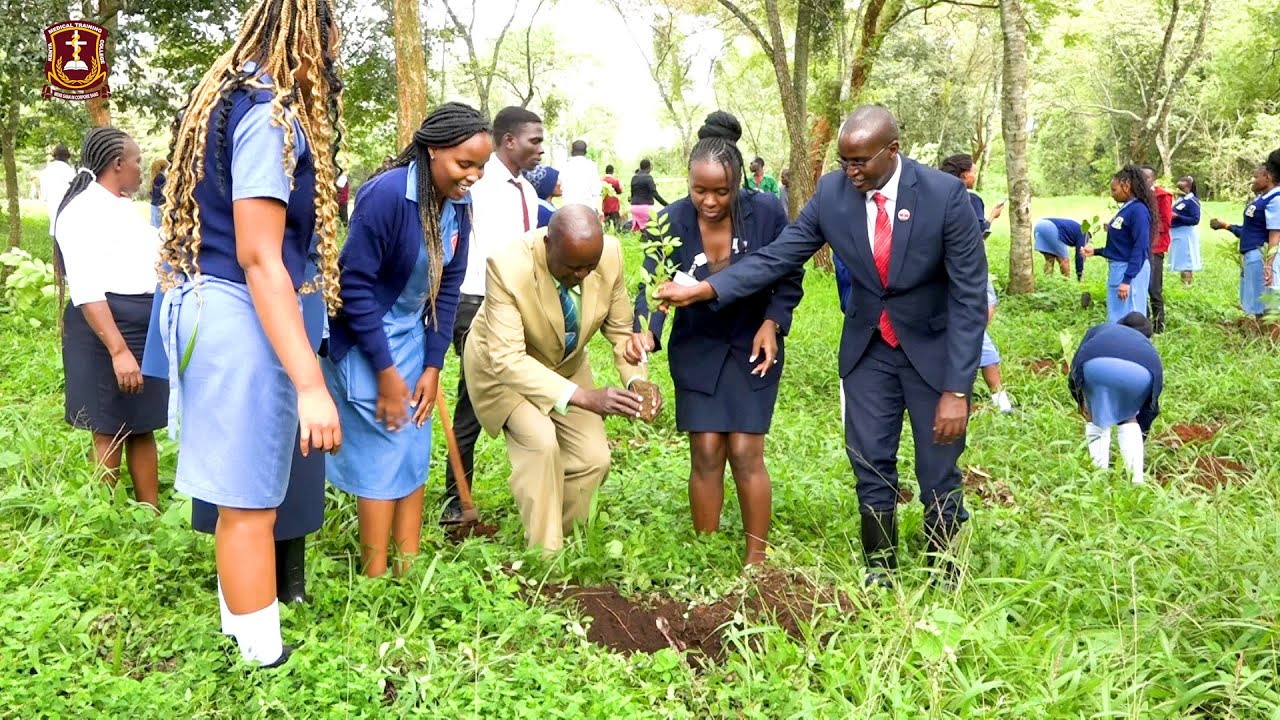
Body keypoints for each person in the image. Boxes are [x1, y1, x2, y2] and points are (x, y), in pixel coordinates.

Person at [655, 106, 987, 588]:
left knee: (937, 466)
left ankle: (946, 571)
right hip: (869, 348)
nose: (850, 172)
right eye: (843, 161)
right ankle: (881, 568)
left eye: (860, 162)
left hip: (932, 351)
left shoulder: (944, 196)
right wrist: (705, 290)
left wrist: (958, 389)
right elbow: (778, 257)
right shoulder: (833, 194)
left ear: (892, 151)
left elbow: (969, 294)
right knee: (870, 459)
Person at [155, 0, 345, 668]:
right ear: (312, 37)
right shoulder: (269, 113)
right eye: (332, 36)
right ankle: (262, 662)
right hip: (242, 311)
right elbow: (261, 255)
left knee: (243, 496)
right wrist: (311, 384)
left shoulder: (228, 98)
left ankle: (242, 634)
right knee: (251, 505)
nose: (336, 52)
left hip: (209, 305)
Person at [324, 103, 491, 577]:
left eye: (481, 166)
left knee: (414, 447)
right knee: (385, 450)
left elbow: (448, 287)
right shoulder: (386, 196)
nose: (473, 176)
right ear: (434, 150)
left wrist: (433, 366)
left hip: (412, 337)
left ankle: (408, 570)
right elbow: (353, 286)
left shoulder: (460, 202)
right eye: (465, 164)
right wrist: (386, 372)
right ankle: (377, 578)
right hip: (367, 338)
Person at [630, 112, 802, 566]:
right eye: (698, 190)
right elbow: (652, 285)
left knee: (745, 449)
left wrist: (774, 322)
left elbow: (788, 273)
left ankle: (756, 560)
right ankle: (706, 555)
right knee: (706, 448)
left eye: (721, 192)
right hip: (698, 343)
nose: (709, 201)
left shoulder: (765, 212)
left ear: (739, 182)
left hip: (752, 341)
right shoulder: (668, 221)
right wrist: (646, 329)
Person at [463, 206, 657, 553]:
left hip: (564, 365)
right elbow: (508, 359)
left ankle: (566, 537)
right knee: (541, 443)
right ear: (548, 243)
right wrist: (584, 397)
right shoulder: (508, 267)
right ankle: (545, 556)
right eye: (572, 267)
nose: (582, 274)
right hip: (503, 370)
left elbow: (620, 332)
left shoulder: (609, 255)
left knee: (593, 459)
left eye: (589, 266)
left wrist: (635, 383)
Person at [54, 127, 167, 509]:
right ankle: (106, 517)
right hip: (105, 329)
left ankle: (149, 514)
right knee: (110, 427)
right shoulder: (82, 211)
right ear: (117, 164)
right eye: (137, 161)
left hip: (140, 325)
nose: (140, 168)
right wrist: (119, 351)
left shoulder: (119, 205)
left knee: (142, 424)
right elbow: (86, 289)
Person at [443, 106, 543, 524]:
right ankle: (455, 502)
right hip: (476, 302)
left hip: (520, 306)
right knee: (472, 400)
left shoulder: (530, 192)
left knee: (531, 391)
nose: (541, 148)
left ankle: (539, 490)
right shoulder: (478, 187)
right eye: (534, 140)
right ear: (509, 141)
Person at [939, 153, 1011, 413]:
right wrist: (992, 216)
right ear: (962, 175)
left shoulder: (931, 198)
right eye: (972, 171)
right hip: (968, 275)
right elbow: (978, 235)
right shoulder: (970, 199)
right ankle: (996, 401)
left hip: (941, 275)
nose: (974, 175)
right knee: (976, 330)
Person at [1069, 312, 1162, 486]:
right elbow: (1152, 403)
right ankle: (1136, 481)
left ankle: (1097, 478)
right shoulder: (1146, 346)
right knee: (1129, 418)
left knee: (1096, 418)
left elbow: (1076, 365)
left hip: (1095, 365)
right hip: (1140, 372)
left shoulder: (1102, 330)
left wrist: (1082, 401)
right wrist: (1140, 433)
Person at [1208, 154, 1280, 318]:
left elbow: (1275, 235)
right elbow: (1250, 230)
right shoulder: (1263, 199)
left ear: (1267, 177)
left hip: (1264, 256)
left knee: (1270, 303)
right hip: (1253, 255)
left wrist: (1268, 265)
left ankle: (1270, 338)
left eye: (1255, 177)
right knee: (1257, 301)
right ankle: (1262, 335)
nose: (1252, 181)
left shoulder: (1276, 199)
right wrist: (1226, 226)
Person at [1082, 166, 1155, 323]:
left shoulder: (1138, 211)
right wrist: (1096, 251)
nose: (1112, 194)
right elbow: (1121, 244)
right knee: (1117, 316)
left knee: (1130, 318)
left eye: (1114, 190)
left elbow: (1140, 247)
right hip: (1119, 268)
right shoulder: (1126, 209)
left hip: (1130, 271)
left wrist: (1127, 280)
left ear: (1126, 185)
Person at [1142, 166, 1173, 333]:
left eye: (1146, 178)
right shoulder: (1137, 196)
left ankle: (1159, 326)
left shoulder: (1162, 196)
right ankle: (1144, 325)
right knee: (1140, 286)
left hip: (1155, 247)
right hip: (1140, 247)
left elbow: (1166, 222)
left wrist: (1144, 229)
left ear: (1153, 179)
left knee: (1154, 288)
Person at [1169, 175, 1202, 286]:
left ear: (1188, 185)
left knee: (1186, 262)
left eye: (1183, 181)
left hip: (1186, 235)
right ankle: (1184, 283)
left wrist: (1177, 216)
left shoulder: (1192, 201)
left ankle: (1187, 285)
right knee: (1180, 261)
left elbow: (1195, 219)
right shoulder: (1181, 200)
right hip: (1177, 234)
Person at [40, 144, 76, 236]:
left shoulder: (48, 169)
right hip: (67, 201)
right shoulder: (70, 170)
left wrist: (44, 197)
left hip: (52, 199)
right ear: (67, 156)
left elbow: (44, 186)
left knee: (54, 224)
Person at [559, 139, 601, 212]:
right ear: (585, 152)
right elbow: (596, 191)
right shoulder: (591, 166)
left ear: (572, 151)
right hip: (587, 209)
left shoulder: (564, 166)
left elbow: (560, 188)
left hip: (568, 209)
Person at [629, 158, 668, 231]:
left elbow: (632, 194)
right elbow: (655, 194)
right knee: (654, 229)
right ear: (649, 167)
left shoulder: (634, 177)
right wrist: (667, 205)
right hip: (645, 208)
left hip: (634, 207)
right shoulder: (648, 178)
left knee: (642, 232)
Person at [523, 164, 561, 229]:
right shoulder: (544, 213)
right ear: (547, 186)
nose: (559, 182)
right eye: (556, 179)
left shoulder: (544, 207)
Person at [602, 164, 624, 232]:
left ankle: (605, 237)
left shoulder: (602, 180)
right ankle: (617, 236)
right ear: (612, 171)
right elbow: (619, 191)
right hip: (614, 205)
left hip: (605, 204)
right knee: (616, 224)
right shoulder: (615, 180)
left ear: (606, 171)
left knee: (606, 224)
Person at [148, 159, 169, 229]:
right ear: (164, 167)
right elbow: (164, 192)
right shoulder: (161, 178)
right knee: (158, 227)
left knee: (154, 225)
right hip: (159, 205)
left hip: (154, 204)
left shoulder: (156, 177)